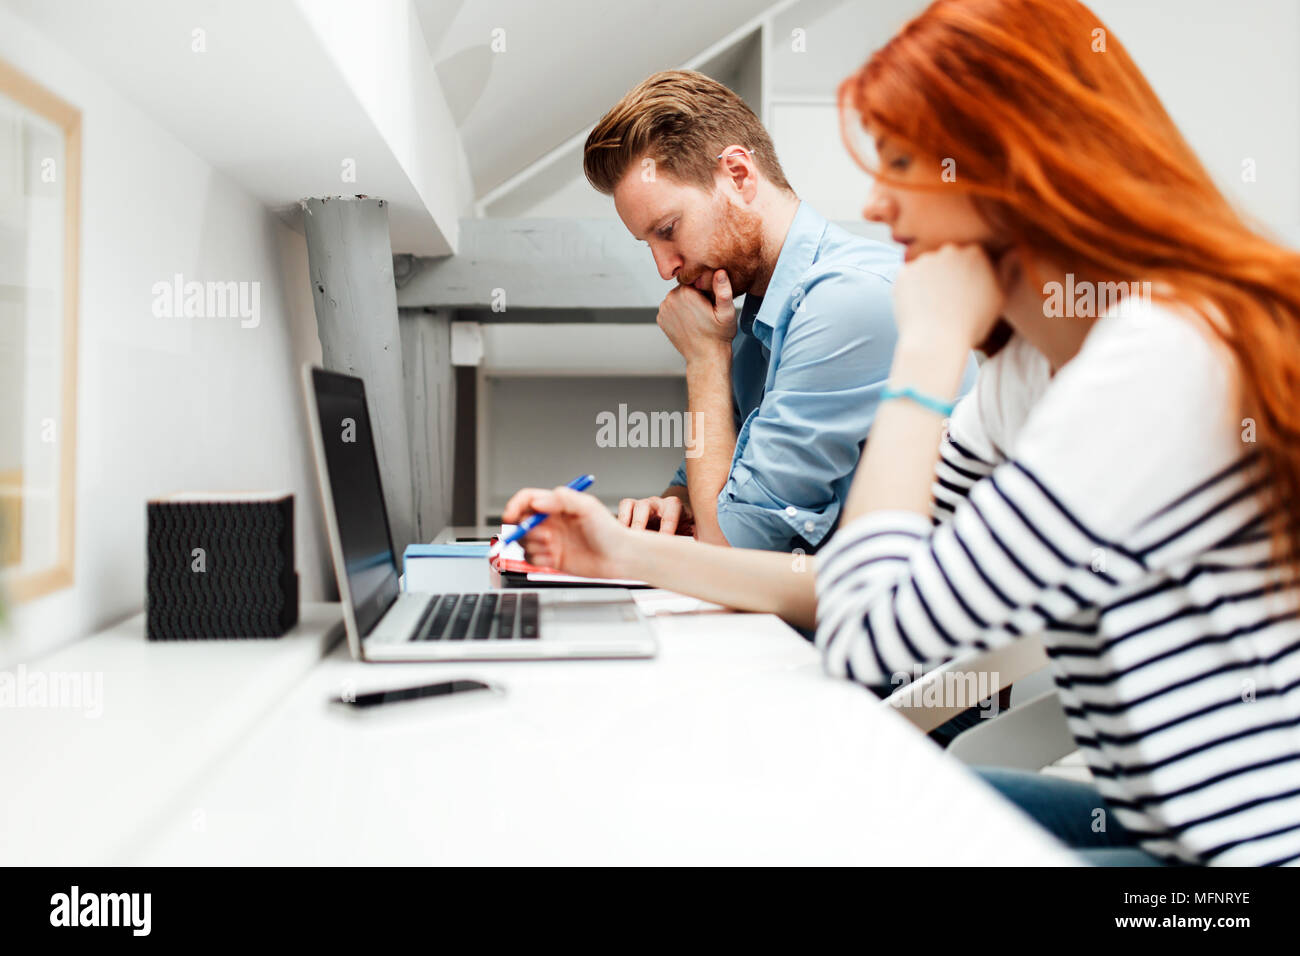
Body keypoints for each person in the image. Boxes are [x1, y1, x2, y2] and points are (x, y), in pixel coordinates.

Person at [505, 0, 1300, 866]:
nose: (878, 206)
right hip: (1167, 840)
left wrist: (926, 346)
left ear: (1005, 172)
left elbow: (866, 635)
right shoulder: (1025, 375)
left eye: (902, 166)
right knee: (825, 805)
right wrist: (618, 556)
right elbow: (846, 585)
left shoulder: (1158, 358)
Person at [582, 69, 974, 551]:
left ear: (739, 175)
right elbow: (705, 487)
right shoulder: (749, 317)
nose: (665, 268)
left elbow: (728, 549)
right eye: (648, 242)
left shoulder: (845, 302)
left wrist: (704, 361)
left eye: (667, 229)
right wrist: (674, 506)